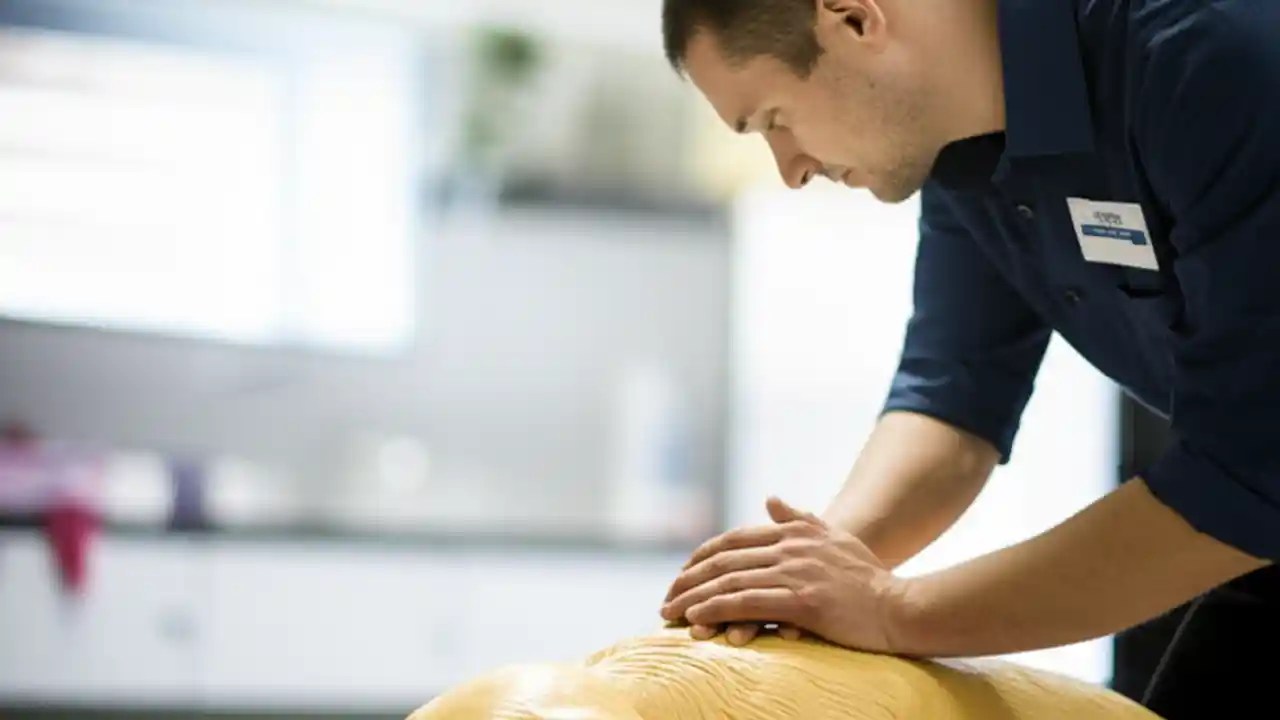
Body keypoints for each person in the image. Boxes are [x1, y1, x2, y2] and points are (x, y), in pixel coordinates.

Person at [654, 0, 1280, 717]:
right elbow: (953, 405)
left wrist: (895, 611)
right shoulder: (962, 140)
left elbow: (1248, 471)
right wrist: (810, 570)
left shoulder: (1209, 47)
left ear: (854, 20)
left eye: (773, 119)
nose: (789, 169)